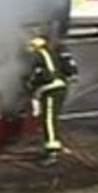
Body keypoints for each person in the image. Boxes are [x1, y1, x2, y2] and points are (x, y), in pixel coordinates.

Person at [24, 35, 73, 165]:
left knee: (49, 120)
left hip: (52, 89)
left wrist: (30, 86)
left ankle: (52, 152)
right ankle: (54, 146)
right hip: (57, 87)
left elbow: (37, 75)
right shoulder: (49, 52)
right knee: (50, 119)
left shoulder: (37, 55)